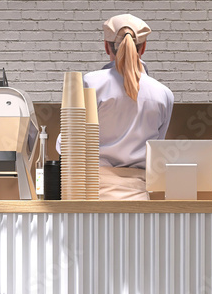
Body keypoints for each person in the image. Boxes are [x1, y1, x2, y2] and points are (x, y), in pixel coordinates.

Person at [60, 14, 175, 200]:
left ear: (107, 46)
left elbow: (67, 144)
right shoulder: (164, 94)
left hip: (92, 193)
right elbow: (156, 150)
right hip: (139, 195)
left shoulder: (90, 83)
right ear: (143, 48)